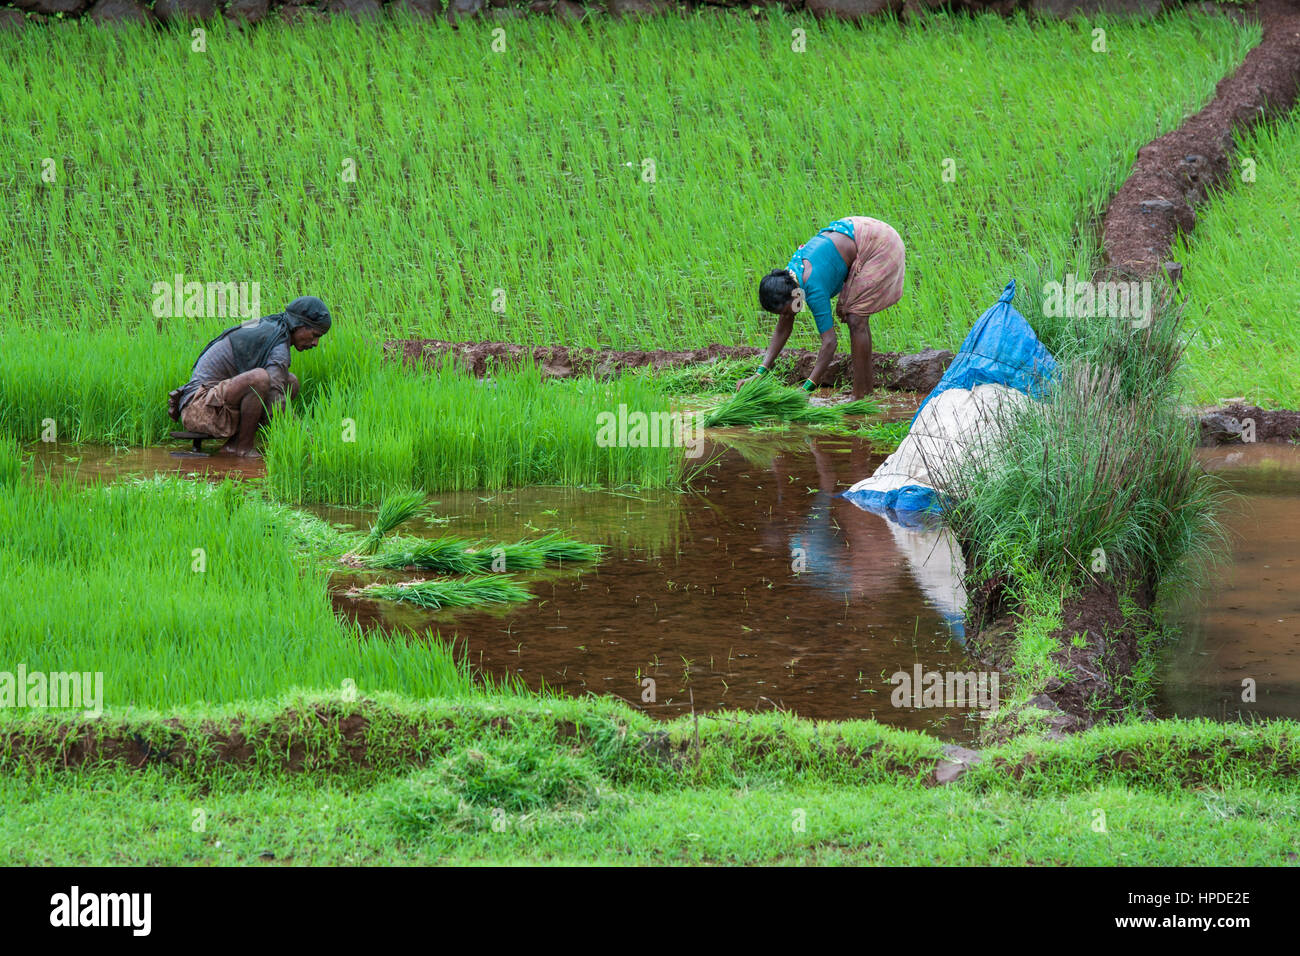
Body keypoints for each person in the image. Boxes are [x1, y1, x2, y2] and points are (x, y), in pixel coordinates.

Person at [739, 217, 905, 400]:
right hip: (856, 231)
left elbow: (829, 342)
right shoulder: (791, 277)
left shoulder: (813, 287)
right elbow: (783, 326)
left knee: (856, 319)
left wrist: (807, 388)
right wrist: (759, 374)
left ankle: (859, 395)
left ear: (794, 296)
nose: (787, 316)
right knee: (856, 319)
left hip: (880, 244)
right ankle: (866, 392)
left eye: (786, 311)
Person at [169, 296, 332, 458]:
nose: (316, 343)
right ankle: (242, 448)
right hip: (199, 409)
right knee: (259, 379)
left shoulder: (272, 328)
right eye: (314, 335)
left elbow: (276, 390)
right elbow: (275, 400)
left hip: (214, 402)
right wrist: (307, 437)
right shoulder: (279, 344)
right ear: (299, 325)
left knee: (289, 382)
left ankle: (234, 444)